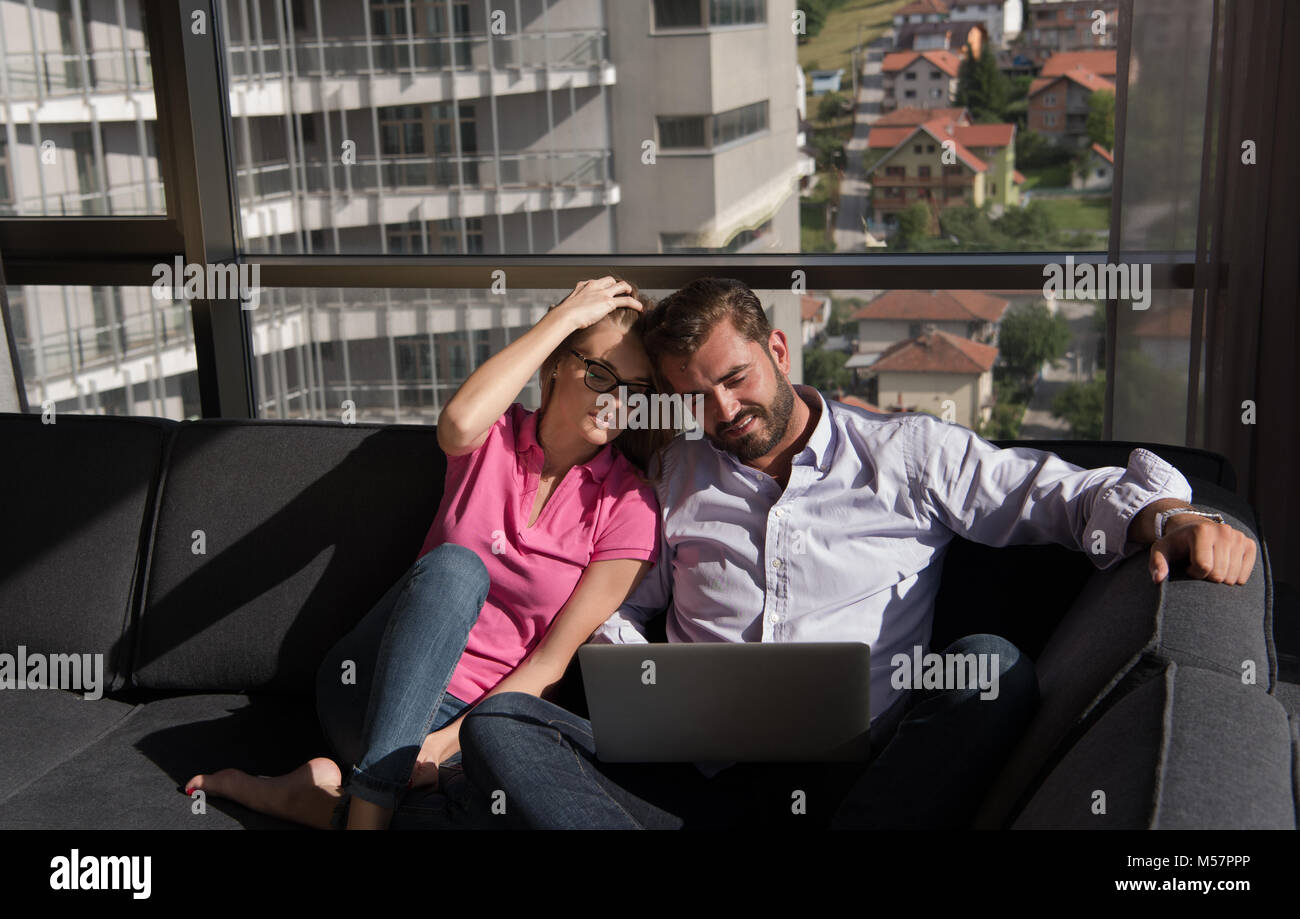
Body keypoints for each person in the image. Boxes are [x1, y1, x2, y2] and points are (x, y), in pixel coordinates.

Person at [453, 276, 1260, 830]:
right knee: (501, 726)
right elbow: (623, 603)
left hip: (861, 785)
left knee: (989, 667)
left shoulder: (905, 453)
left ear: (777, 347)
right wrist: (640, 670)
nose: (725, 409)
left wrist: (1166, 516)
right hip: (694, 777)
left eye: (736, 378)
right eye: (697, 398)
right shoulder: (672, 475)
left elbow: (1064, 495)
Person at [184, 276, 676, 829]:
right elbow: (458, 423)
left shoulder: (630, 504)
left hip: (474, 723)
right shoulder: (492, 436)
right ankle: (366, 814)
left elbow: (550, 663)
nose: (616, 401)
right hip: (371, 691)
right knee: (456, 569)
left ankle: (318, 798)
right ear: (560, 362)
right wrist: (561, 319)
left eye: (635, 390)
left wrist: (442, 745)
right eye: (600, 373)